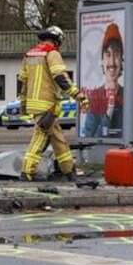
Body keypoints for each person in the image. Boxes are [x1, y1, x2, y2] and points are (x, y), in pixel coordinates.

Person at [17, 26, 87, 182]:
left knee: (57, 137)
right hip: (47, 105)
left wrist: (23, 105)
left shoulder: (29, 55)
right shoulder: (52, 53)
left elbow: (23, 82)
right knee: (40, 137)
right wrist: (77, 94)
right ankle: (27, 171)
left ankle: (69, 171)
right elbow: (60, 77)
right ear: (57, 40)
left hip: (34, 105)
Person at [81, 23, 124, 138]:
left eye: (116, 55)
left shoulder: (127, 95)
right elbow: (90, 138)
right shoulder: (95, 97)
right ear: (102, 61)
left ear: (121, 61)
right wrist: (108, 115)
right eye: (108, 55)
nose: (112, 62)